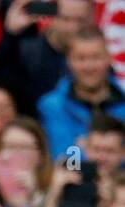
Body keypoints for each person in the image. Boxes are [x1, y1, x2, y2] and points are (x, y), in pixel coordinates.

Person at [36, 27, 125, 159]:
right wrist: (112, 152)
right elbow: (66, 161)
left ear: (108, 58)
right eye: (81, 59)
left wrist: (85, 146)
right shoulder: (52, 106)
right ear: (68, 61)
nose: (89, 66)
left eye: (96, 57)